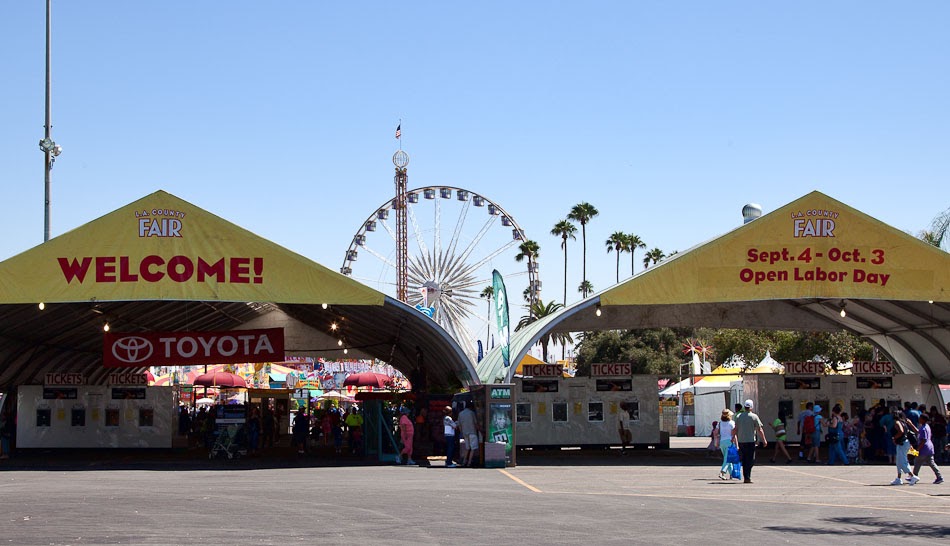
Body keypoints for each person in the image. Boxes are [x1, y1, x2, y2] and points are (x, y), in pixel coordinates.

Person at [734, 399, 767, 484]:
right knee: (750, 459)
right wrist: (764, 440)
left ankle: (746, 476)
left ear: (744, 407)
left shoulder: (739, 416)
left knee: (744, 459)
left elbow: (735, 429)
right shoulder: (754, 417)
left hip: (741, 441)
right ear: (751, 407)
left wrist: (732, 437)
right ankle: (747, 477)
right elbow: (759, 429)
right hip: (750, 441)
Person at [911, 414, 943, 484]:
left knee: (917, 461)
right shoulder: (926, 426)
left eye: (920, 418)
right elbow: (917, 432)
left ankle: (914, 477)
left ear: (923, 419)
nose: (919, 419)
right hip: (930, 448)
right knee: (932, 463)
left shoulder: (923, 428)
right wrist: (910, 424)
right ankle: (939, 476)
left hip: (923, 449)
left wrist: (917, 449)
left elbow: (923, 440)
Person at [890, 408, 918, 485]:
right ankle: (898, 478)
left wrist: (894, 437)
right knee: (899, 461)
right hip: (906, 443)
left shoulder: (897, 422)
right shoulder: (904, 422)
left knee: (902, 461)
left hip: (902, 443)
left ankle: (912, 476)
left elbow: (901, 431)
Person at [458, 401, 479, 467]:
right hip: (472, 432)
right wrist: (480, 430)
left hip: (465, 432)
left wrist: (462, 431)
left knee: (467, 447)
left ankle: (464, 461)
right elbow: (475, 423)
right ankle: (469, 462)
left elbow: (459, 425)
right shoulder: (471, 413)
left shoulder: (460, 414)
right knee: (473, 448)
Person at [717, 409, 737, 480]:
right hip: (730, 441)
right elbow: (734, 434)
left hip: (722, 442)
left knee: (727, 458)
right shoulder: (732, 423)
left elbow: (716, 432)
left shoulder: (720, 423)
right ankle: (722, 471)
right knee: (728, 458)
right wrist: (736, 445)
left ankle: (731, 474)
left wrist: (716, 442)